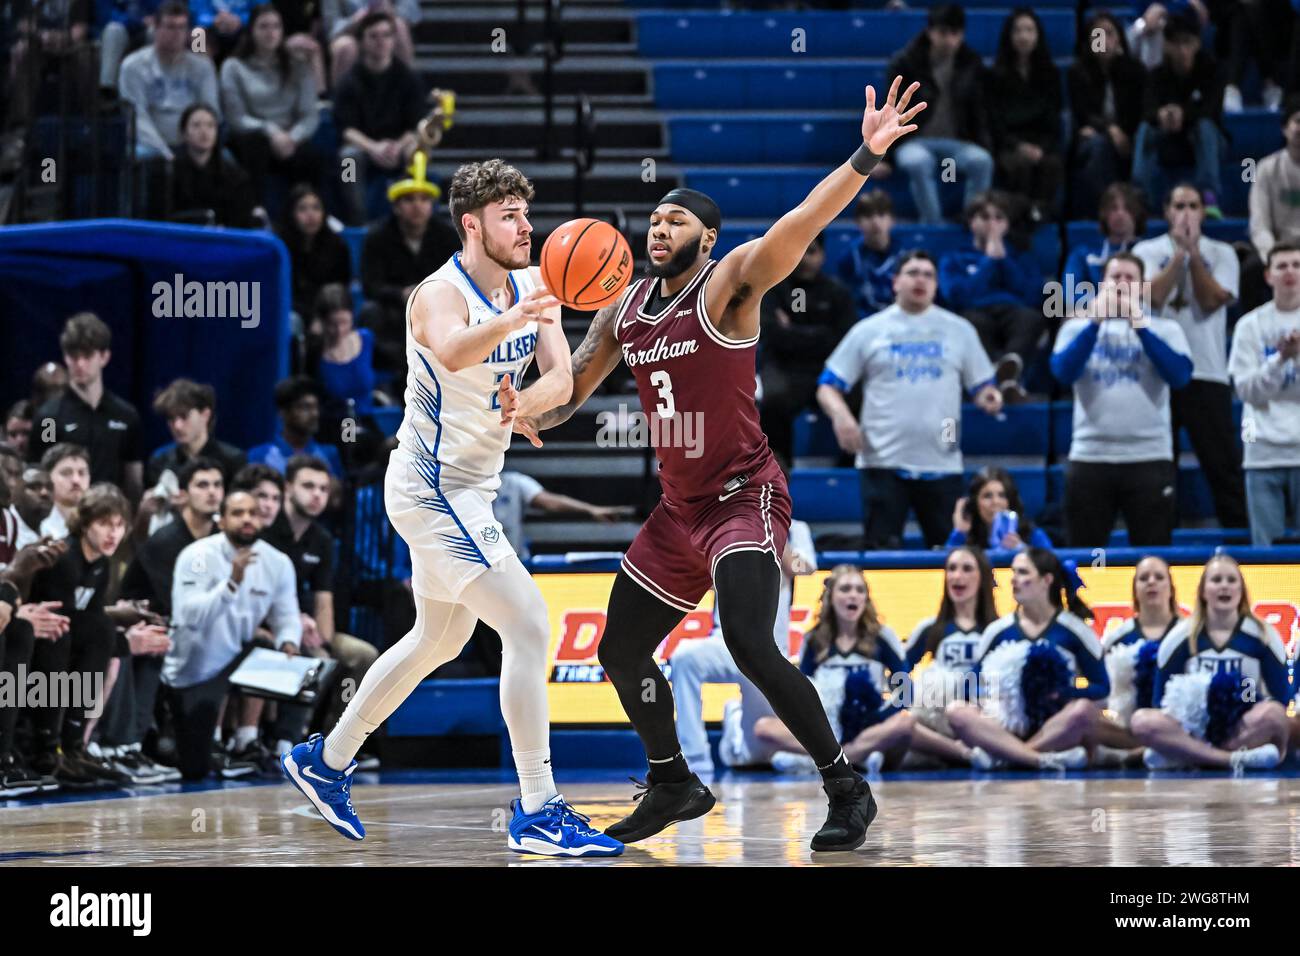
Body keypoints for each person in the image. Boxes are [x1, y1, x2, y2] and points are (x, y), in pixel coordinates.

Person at [520, 77, 931, 853]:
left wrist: (866, 156)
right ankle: (673, 778)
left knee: (748, 642)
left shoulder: (732, 282)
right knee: (619, 650)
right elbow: (571, 390)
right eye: (654, 218)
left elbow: (803, 223)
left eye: (676, 219)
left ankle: (846, 785)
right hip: (678, 510)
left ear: (708, 238)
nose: (659, 226)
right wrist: (517, 409)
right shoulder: (623, 308)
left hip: (745, 495)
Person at [281, 158, 622, 858]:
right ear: (472, 224)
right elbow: (454, 351)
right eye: (510, 216)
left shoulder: (536, 283)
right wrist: (515, 320)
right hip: (429, 485)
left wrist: (526, 401)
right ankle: (538, 808)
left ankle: (326, 760)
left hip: (473, 486)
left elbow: (561, 376)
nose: (527, 227)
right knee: (529, 624)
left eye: (528, 214)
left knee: (440, 641)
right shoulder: (437, 293)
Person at [818, 250, 1002, 550]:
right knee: (881, 556)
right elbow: (828, 386)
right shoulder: (869, 330)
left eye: (928, 275)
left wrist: (989, 397)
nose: (921, 280)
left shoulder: (959, 330)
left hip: (942, 462)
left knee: (951, 556)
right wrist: (842, 416)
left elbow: (982, 385)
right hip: (882, 461)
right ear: (895, 282)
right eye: (913, 273)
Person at [1052, 252, 1193, 547]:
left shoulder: (1166, 329)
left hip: (1149, 457)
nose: (1122, 284)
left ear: (1142, 287)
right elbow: (1063, 372)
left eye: (1130, 278)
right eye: (1115, 277)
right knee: (1084, 558)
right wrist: (1094, 324)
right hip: (1091, 456)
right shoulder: (1075, 327)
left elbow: (1179, 376)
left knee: (1153, 557)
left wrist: (1141, 327)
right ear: (1102, 284)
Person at [162, 489, 300, 779]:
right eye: (237, 514)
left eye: (252, 513)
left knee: (285, 653)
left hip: (238, 661)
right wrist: (230, 585)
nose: (247, 519)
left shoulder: (278, 562)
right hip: (194, 669)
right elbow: (188, 617)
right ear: (221, 521)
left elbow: (286, 615)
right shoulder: (196, 555)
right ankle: (209, 741)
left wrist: (289, 640)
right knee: (195, 769)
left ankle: (250, 741)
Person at [1133, 183, 1247, 529]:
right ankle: (1158, 547)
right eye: (1179, 205)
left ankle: (1243, 545)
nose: (1185, 213)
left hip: (1207, 371)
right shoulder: (1146, 251)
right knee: (1158, 471)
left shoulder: (1223, 253)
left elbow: (1212, 299)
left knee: (1222, 466)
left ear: (1203, 212)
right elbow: (1152, 298)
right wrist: (1179, 255)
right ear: (1167, 211)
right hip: (1157, 374)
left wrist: (1195, 254)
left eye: (1193, 206)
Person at [109, 458, 224, 782]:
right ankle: (139, 742)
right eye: (203, 485)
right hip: (149, 620)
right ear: (184, 495)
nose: (212, 492)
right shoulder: (167, 541)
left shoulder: (221, 538)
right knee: (166, 641)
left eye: (217, 485)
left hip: (194, 626)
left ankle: (231, 739)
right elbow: (177, 607)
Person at [669, 519, 815, 775]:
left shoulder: (796, 527)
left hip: (769, 650)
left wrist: (772, 532)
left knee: (754, 753)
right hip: (725, 642)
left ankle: (735, 716)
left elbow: (804, 567)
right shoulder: (724, 519)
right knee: (685, 658)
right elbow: (708, 579)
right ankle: (694, 762)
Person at [945, 548, 1107, 770]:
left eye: (1023, 573)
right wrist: (1000, 696)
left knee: (1083, 710)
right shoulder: (998, 630)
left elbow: (1103, 687)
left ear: (1046, 580)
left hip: (1055, 724)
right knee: (957, 711)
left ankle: (1009, 756)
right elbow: (969, 687)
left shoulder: (1075, 629)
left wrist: (1063, 693)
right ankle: (1039, 759)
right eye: (1013, 572)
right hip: (1005, 724)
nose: (1014, 580)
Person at [1130, 554, 1289, 770]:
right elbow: (1160, 703)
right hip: (1192, 730)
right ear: (1203, 592)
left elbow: (1281, 699)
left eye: (1231, 580)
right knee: (1142, 721)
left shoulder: (1263, 636)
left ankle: (1185, 756)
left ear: (1241, 591)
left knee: (1274, 714)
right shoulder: (1180, 637)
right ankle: (1231, 759)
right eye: (1216, 580)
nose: (1224, 586)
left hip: (1243, 727)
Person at [261, 455, 378, 743]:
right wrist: (293, 626)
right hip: (270, 624)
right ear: (287, 488)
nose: (317, 495)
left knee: (361, 655)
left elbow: (324, 599)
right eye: (308, 486)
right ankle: (281, 738)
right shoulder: (266, 529)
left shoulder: (322, 540)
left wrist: (324, 644)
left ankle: (333, 741)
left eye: (323, 489)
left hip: (310, 628)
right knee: (303, 656)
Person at [756, 565, 916, 774]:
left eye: (860, 590)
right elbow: (802, 690)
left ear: (866, 599)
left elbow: (906, 690)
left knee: (906, 723)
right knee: (763, 728)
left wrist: (877, 717)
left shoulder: (881, 636)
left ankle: (831, 759)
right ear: (830, 596)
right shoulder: (814, 639)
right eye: (845, 589)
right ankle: (855, 758)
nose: (853, 596)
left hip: (868, 725)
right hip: (826, 726)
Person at [885, 4, 993, 225]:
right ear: (930, 32)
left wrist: (987, 147)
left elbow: (980, 113)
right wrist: (884, 156)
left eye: (955, 34)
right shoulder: (905, 63)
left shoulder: (972, 64)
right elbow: (889, 110)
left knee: (982, 161)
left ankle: (973, 224)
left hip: (957, 142)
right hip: (915, 140)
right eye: (944, 33)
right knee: (918, 162)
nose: (950, 40)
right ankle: (933, 226)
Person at [359, 153, 461, 385]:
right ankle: (394, 380)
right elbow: (370, 285)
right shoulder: (377, 237)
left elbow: (460, 277)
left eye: (424, 199)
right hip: (394, 311)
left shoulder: (447, 236)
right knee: (371, 313)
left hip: (437, 309)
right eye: (409, 200)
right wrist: (401, 294)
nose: (417, 206)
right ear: (396, 206)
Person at [758, 232, 858, 464]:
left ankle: (849, 466)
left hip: (827, 369)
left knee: (863, 397)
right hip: (784, 368)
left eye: (811, 251)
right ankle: (778, 468)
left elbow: (846, 340)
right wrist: (820, 334)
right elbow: (772, 335)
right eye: (800, 251)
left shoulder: (838, 293)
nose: (804, 259)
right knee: (773, 399)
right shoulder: (772, 291)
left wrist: (793, 331)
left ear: (822, 255)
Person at [938, 190, 1044, 399]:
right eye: (985, 217)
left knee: (1031, 319)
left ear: (1007, 224)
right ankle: (997, 382)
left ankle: (1007, 374)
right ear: (971, 222)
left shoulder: (1020, 257)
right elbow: (957, 296)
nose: (992, 224)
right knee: (971, 323)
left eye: (999, 218)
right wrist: (988, 261)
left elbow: (1031, 295)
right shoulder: (954, 258)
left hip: (1013, 311)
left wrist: (1003, 260)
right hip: (974, 312)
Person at [1229, 242, 1300, 545]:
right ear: (1268, 276)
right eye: (1282, 266)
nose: (1290, 272)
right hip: (1261, 452)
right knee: (1266, 558)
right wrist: (1280, 359)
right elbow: (1246, 391)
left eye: (1297, 265)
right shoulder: (1249, 326)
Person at [30, 312, 143, 500]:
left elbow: (133, 480)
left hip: (110, 518)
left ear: (104, 357)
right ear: (65, 358)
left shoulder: (126, 416)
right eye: (74, 356)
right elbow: (40, 472)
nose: (80, 364)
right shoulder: (49, 417)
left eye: (88, 355)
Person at [903, 545, 998, 756]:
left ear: (981, 577)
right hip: (939, 718)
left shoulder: (998, 629)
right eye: (952, 568)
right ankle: (963, 755)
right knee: (902, 725)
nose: (957, 576)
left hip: (983, 716)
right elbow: (899, 671)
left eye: (966, 569)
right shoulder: (930, 627)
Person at [333, 10, 425, 225]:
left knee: (417, 153)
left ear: (394, 40)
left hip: (398, 145)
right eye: (373, 36)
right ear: (362, 41)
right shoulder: (349, 81)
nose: (380, 41)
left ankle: (412, 220)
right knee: (348, 158)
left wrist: (397, 146)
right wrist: (374, 148)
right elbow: (346, 129)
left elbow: (416, 126)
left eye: (386, 35)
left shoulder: (409, 79)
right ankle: (358, 220)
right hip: (365, 147)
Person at [219, 4, 322, 196]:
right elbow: (236, 118)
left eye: (276, 26)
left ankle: (313, 215)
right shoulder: (233, 67)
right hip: (253, 137)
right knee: (254, 147)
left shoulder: (298, 65)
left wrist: (292, 138)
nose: (271, 32)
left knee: (317, 155)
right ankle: (254, 213)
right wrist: (270, 131)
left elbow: (310, 115)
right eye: (264, 26)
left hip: (291, 139)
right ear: (251, 30)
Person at [1131, 16, 1227, 215]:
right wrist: (1162, 115)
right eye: (1176, 43)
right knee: (1145, 130)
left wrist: (1184, 115)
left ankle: (1208, 195)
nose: (1182, 50)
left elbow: (1211, 110)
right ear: (1166, 46)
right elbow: (1146, 111)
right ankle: (1141, 198)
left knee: (1205, 126)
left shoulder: (1213, 72)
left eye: (1187, 43)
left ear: (1197, 43)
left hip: (1207, 142)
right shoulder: (1156, 75)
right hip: (1169, 139)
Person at [1094, 555, 1184, 766]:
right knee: (1083, 717)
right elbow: (1104, 692)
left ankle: (1137, 754)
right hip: (1128, 729)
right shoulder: (1116, 637)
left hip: (1178, 727)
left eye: (1159, 577)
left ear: (1170, 588)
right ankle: (1148, 751)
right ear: (1135, 590)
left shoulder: (1189, 633)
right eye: (1144, 578)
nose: (1151, 582)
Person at [119, 1, 221, 160]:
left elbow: (210, 110)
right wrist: (166, 153)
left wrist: (197, 148)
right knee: (143, 154)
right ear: (156, 28)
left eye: (181, 28)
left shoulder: (202, 65)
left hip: (193, 145)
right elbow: (138, 119)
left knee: (224, 162)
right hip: (151, 145)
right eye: (170, 27)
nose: (177, 33)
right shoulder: (132, 66)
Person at [986, 8, 1063, 220]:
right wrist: (1018, 146)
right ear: (1009, 36)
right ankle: (1015, 215)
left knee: (1051, 164)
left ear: (1038, 36)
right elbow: (994, 121)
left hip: (1041, 143)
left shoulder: (1050, 74)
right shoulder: (995, 76)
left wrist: (1041, 148)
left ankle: (1039, 213)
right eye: (1018, 30)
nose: (1024, 36)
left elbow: (1053, 119)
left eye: (1029, 30)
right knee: (1017, 165)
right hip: (1009, 143)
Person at [1067, 12, 1147, 217]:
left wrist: (1124, 132)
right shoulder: (1078, 72)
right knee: (1098, 145)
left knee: (1145, 140)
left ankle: (1140, 208)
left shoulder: (1135, 71)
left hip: (1130, 134)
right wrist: (1111, 130)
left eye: (1109, 33)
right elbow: (1083, 113)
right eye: (1097, 35)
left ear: (1119, 37)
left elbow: (1141, 112)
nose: (1103, 40)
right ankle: (1106, 211)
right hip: (1096, 137)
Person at [492, 470, 633, 563]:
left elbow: (550, 502)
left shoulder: (514, 481)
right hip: (481, 563)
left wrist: (591, 510)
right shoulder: (471, 484)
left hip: (515, 562)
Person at [1244, 99, 1300, 314]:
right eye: (1297, 121)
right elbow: (1259, 222)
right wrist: (1272, 256)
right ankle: (1254, 325)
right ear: (1285, 129)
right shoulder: (1267, 168)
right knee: (1251, 269)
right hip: (1276, 246)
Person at [170, 103, 260, 227]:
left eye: (210, 125)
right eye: (196, 125)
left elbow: (242, 219)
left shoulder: (235, 176)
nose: (204, 131)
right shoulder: (169, 172)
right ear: (184, 132)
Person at [146, 378, 247, 488]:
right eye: (171, 418)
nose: (177, 426)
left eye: (184, 416)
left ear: (205, 415)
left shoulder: (233, 460)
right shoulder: (160, 460)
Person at [1062, 183, 1146, 312]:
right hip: (1091, 314)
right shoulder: (1083, 253)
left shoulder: (1148, 251)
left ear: (1137, 214)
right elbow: (1069, 294)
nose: (1120, 214)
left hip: (1137, 315)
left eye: (1127, 209)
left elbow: (1151, 295)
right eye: (1113, 208)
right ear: (1104, 214)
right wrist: (1104, 305)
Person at [278, 183, 352, 324]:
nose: (310, 215)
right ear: (291, 214)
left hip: (327, 314)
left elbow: (341, 290)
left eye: (316, 208)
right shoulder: (280, 248)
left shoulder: (337, 246)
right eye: (302, 209)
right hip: (291, 312)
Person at [247, 376, 345, 477]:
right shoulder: (260, 456)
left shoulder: (329, 455)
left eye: (316, 407)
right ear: (283, 413)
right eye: (305, 407)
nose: (315, 414)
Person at [947, 466, 1053, 552]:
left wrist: (1023, 550)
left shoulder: (1032, 534)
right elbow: (944, 568)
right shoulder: (965, 535)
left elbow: (1051, 566)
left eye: (1002, 495)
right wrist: (959, 533)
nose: (996, 502)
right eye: (987, 496)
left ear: (1010, 500)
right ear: (975, 502)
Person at [314, 284, 379, 416]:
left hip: (366, 423)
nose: (339, 330)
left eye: (344, 322)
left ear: (352, 316)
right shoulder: (315, 350)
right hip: (332, 426)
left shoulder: (366, 339)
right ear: (322, 322)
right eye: (332, 324)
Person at [834, 190, 900, 317]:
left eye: (881, 215)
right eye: (868, 216)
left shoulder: (905, 257)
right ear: (858, 222)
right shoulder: (848, 259)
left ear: (892, 220)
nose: (875, 221)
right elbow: (845, 303)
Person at [323, 0, 420, 79]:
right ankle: (343, 99)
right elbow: (331, 27)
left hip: (388, 25)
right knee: (345, 46)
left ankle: (408, 93)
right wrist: (356, 20)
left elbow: (412, 14)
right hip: (351, 33)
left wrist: (390, 11)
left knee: (399, 27)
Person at [98, 0, 163, 96]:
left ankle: (156, 89)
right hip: (122, 29)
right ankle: (108, 90)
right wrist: (139, 21)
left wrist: (157, 18)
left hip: (148, 30)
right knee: (113, 29)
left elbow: (167, 7)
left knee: (156, 31)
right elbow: (106, 14)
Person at [38, 444, 90, 540]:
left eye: (82, 473)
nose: (76, 480)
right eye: (66, 473)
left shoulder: (98, 523)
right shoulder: (37, 524)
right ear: (47, 478)